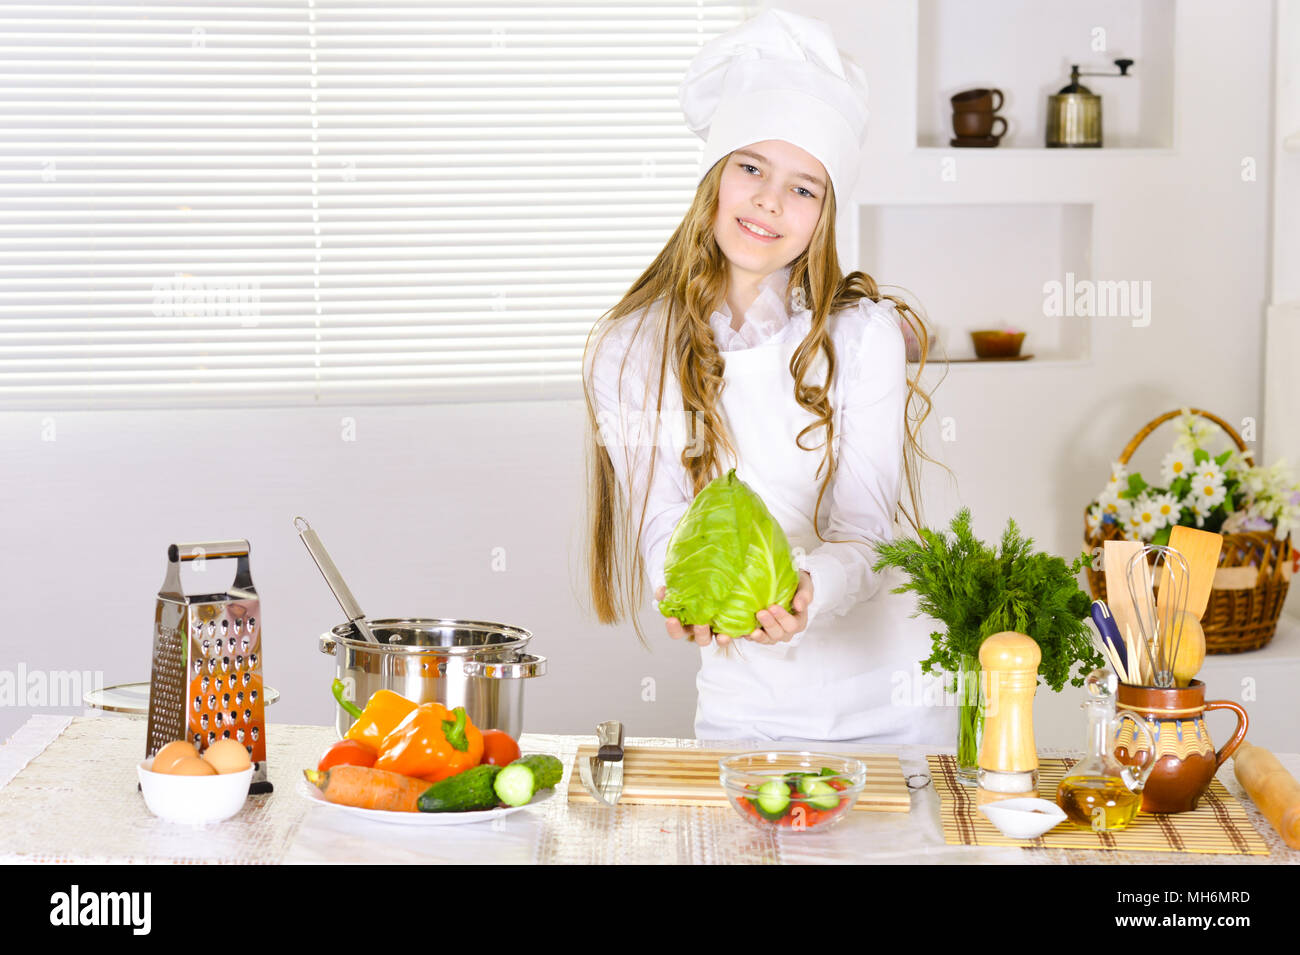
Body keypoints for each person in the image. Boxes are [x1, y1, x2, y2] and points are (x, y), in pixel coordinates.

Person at [581, 9, 954, 744]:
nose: (770, 202)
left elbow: (865, 530)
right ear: (714, 177)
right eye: (751, 168)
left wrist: (811, 590)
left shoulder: (862, 335)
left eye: (804, 188)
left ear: (824, 214)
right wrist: (683, 588)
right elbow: (660, 518)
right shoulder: (628, 350)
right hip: (745, 701)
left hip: (894, 697)